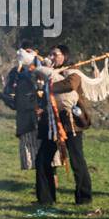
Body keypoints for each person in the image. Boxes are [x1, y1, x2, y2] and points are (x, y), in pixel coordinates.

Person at [35, 44, 93, 206]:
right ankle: (45, 199)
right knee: (42, 160)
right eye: (51, 54)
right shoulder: (46, 73)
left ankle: (84, 198)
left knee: (77, 160)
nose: (52, 57)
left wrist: (49, 82)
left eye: (56, 54)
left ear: (64, 56)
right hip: (50, 123)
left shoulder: (73, 72)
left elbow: (69, 85)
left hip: (71, 123)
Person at [0, 39, 49, 171]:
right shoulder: (15, 73)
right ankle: (41, 181)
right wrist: (7, 98)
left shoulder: (44, 69)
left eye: (27, 52)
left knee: (48, 152)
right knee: (32, 151)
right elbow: (10, 93)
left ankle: (50, 179)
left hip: (44, 116)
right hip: (25, 118)